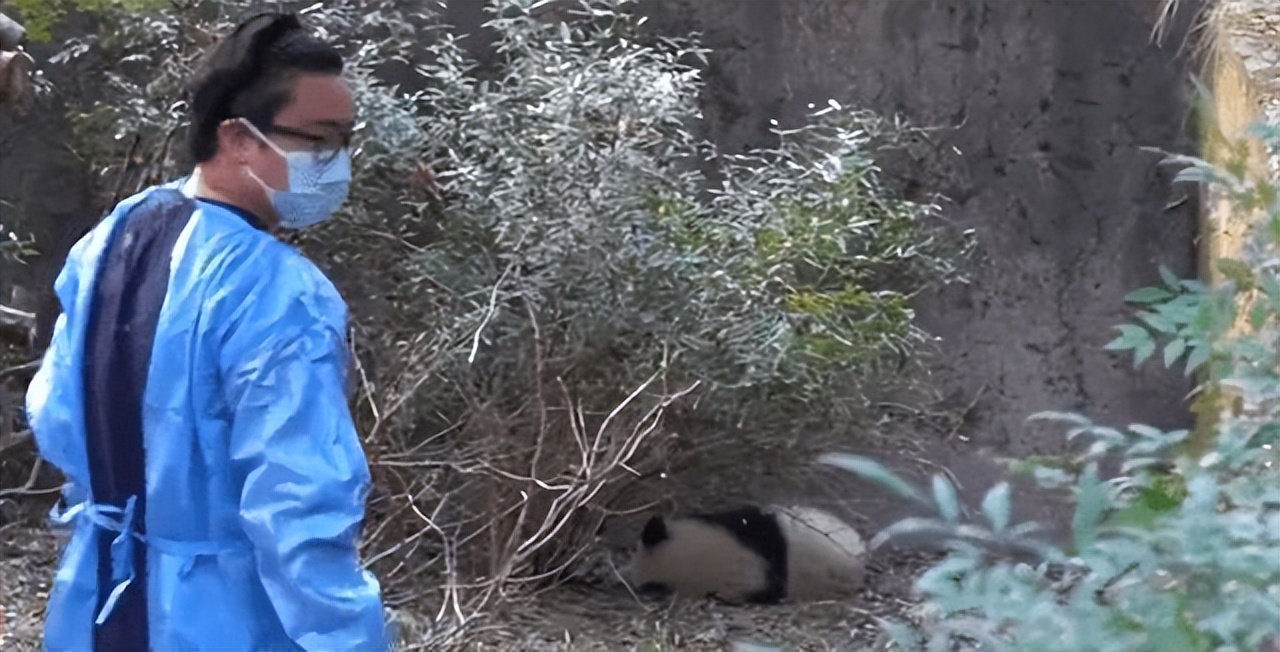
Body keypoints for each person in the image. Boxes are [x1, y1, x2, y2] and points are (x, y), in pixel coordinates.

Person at [24, 10, 391, 651]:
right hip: (219, 616)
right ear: (238, 138)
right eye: (321, 139)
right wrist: (349, 639)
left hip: (96, 597)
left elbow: (54, 415)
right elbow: (300, 509)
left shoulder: (118, 234)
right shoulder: (280, 293)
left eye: (347, 139)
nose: (338, 162)